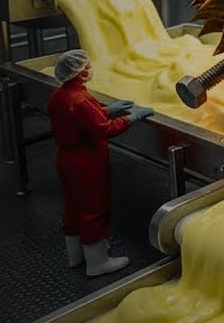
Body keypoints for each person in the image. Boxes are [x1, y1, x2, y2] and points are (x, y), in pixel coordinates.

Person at [47, 49, 154, 276]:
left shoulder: (59, 96)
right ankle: (97, 262)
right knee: (93, 208)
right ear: (79, 73)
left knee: (73, 206)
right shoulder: (81, 99)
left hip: (66, 159)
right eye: (87, 66)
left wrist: (107, 110)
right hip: (86, 161)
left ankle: (76, 256)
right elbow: (103, 130)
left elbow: (81, 119)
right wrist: (130, 118)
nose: (90, 69)